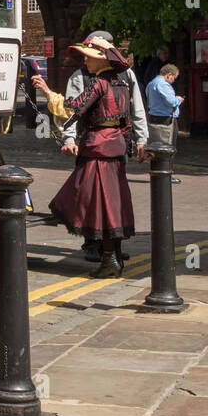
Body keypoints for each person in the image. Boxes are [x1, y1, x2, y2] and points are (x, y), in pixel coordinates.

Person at [33, 40, 137, 278]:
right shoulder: (122, 84)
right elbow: (125, 123)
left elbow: (73, 109)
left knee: (94, 204)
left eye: (88, 57)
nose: (85, 61)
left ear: (101, 59)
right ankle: (113, 257)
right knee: (112, 205)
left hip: (98, 151)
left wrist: (48, 92)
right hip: (114, 150)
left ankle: (110, 259)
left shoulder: (99, 83)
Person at [56, 30, 147, 260]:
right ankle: (94, 244)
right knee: (92, 195)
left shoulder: (125, 75)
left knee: (112, 196)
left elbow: (136, 108)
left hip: (114, 143)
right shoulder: (80, 77)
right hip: (94, 143)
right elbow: (72, 112)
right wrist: (69, 138)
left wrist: (141, 138)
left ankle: (111, 248)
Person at [146, 62, 183, 150]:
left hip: (153, 118)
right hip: (166, 120)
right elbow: (171, 102)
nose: (174, 80)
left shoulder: (151, 83)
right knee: (168, 148)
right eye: (174, 78)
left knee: (155, 147)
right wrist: (179, 99)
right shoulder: (163, 84)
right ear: (169, 75)